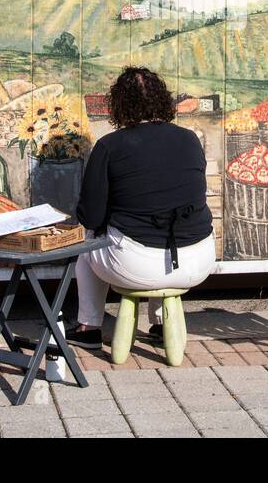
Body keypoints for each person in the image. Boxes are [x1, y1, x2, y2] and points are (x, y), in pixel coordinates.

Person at [65, 67, 215, 349]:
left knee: (86, 248)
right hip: (198, 261)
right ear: (162, 99)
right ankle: (160, 325)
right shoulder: (190, 140)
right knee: (165, 224)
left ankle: (88, 327)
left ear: (119, 105)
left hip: (136, 264)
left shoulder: (110, 146)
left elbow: (91, 216)